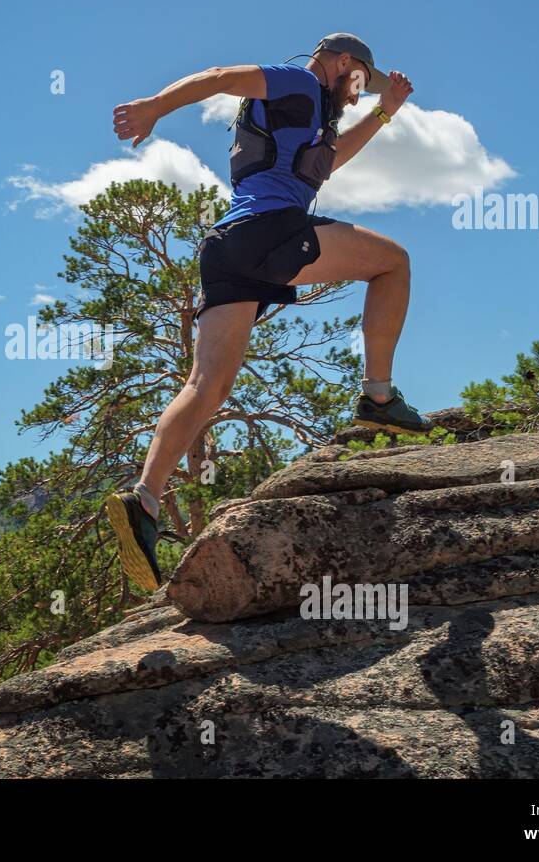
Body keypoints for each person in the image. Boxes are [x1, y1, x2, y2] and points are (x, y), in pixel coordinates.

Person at [103, 32, 433, 592]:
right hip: (268, 233)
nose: (356, 96)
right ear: (343, 63)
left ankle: (145, 502)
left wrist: (383, 114)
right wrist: (155, 107)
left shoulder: (309, 114)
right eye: (359, 84)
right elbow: (219, 76)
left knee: (206, 385)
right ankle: (378, 396)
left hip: (227, 248)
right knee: (393, 263)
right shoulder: (298, 80)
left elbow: (326, 165)